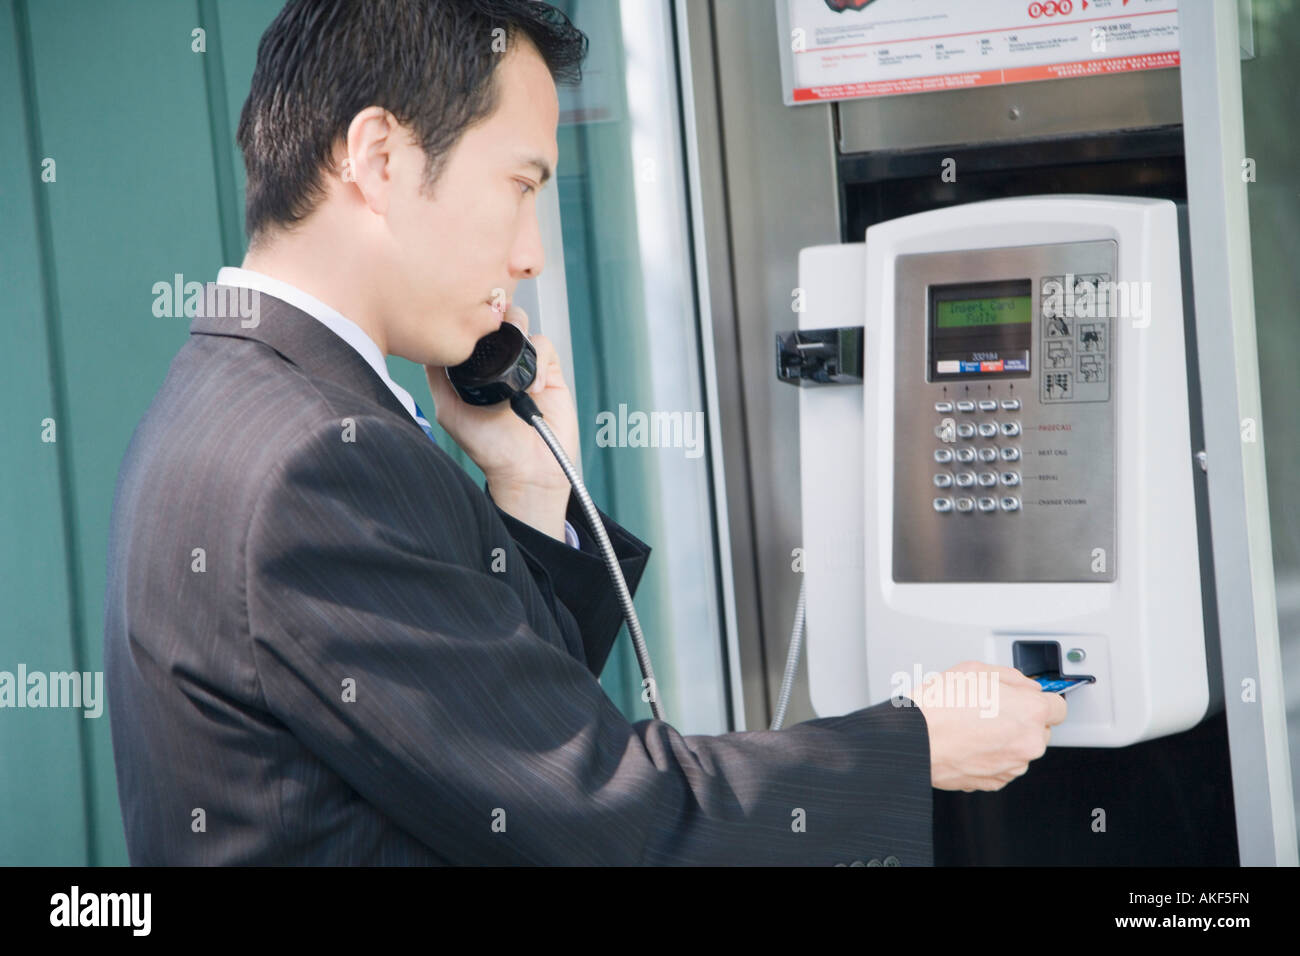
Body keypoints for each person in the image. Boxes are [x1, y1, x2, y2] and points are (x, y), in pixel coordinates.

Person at [103, 0, 1065, 866]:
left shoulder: (221, 397)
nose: (529, 254)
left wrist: (528, 491)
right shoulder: (316, 463)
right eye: (520, 185)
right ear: (380, 158)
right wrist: (917, 746)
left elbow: (498, 759)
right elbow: (604, 817)